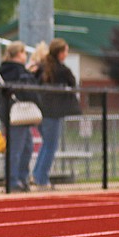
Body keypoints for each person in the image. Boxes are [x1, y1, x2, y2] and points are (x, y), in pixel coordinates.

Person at [32, 38, 80, 190]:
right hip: (52, 113)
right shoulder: (60, 70)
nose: (66, 54)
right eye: (65, 51)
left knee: (46, 144)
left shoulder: (42, 67)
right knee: (50, 146)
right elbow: (73, 82)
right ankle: (42, 178)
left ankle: (38, 174)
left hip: (41, 112)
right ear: (59, 53)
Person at [0, 41, 41, 192]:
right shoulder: (11, 70)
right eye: (23, 53)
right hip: (14, 113)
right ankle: (12, 181)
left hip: (20, 114)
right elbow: (25, 89)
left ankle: (22, 178)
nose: (25, 56)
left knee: (27, 148)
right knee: (15, 150)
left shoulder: (21, 71)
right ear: (17, 54)